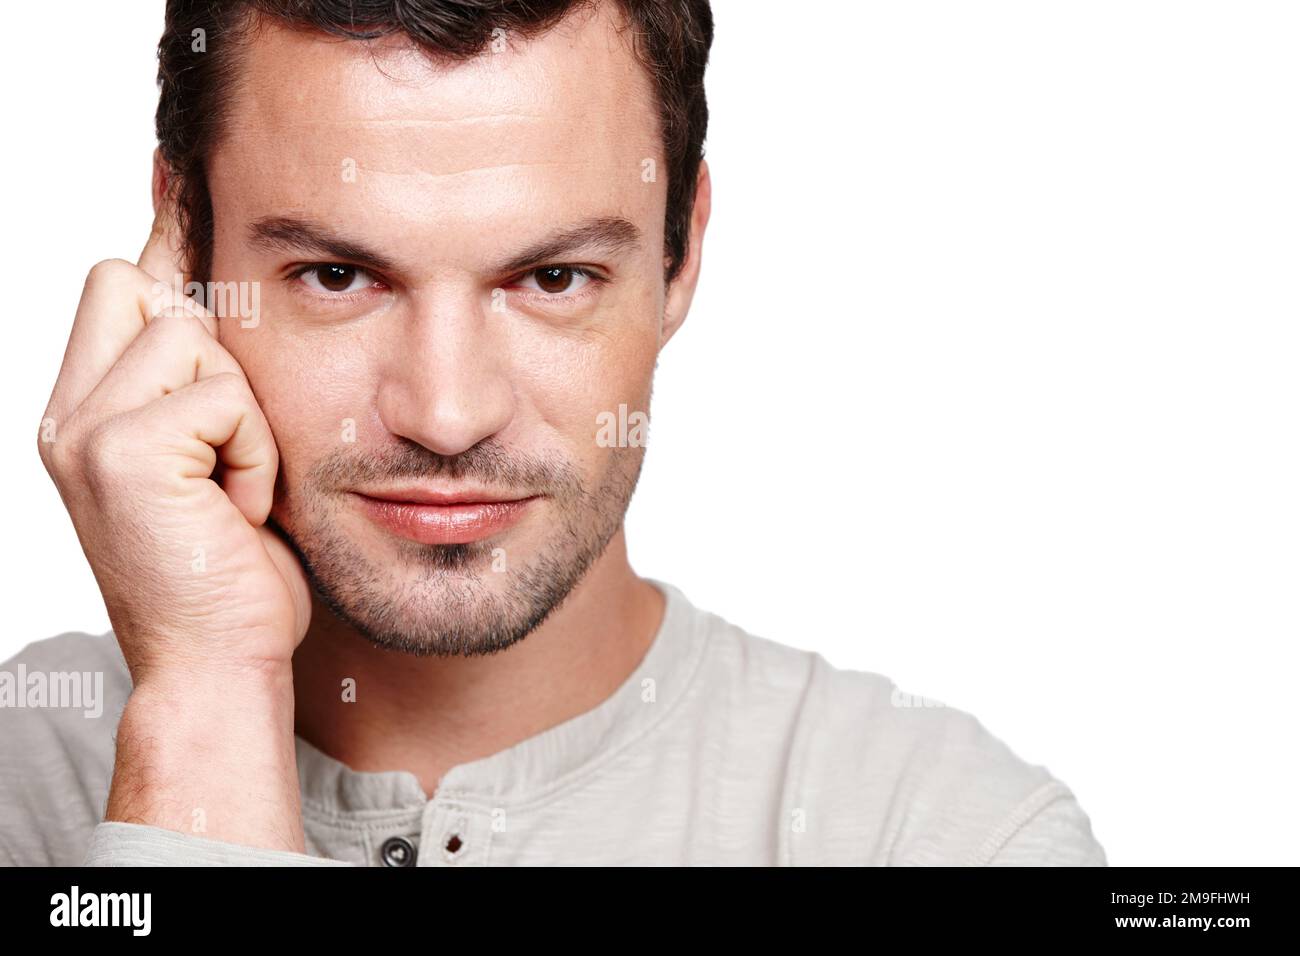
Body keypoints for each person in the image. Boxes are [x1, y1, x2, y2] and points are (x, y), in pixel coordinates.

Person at [1, 0, 1105, 866]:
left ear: (680, 255)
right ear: (187, 244)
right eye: (337, 275)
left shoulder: (947, 837)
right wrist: (206, 698)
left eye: (552, 276)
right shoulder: (18, 784)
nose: (445, 413)